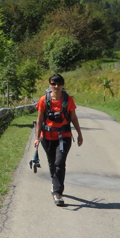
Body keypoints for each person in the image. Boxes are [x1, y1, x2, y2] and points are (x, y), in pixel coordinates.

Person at [33, 73, 83, 206]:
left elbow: (73, 118)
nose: (56, 86)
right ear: (50, 84)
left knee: (59, 162)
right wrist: (37, 137)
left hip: (64, 136)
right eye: (53, 83)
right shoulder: (44, 100)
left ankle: (57, 192)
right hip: (47, 137)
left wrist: (79, 134)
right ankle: (55, 183)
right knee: (52, 163)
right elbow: (40, 119)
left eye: (59, 84)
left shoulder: (68, 100)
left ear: (62, 85)